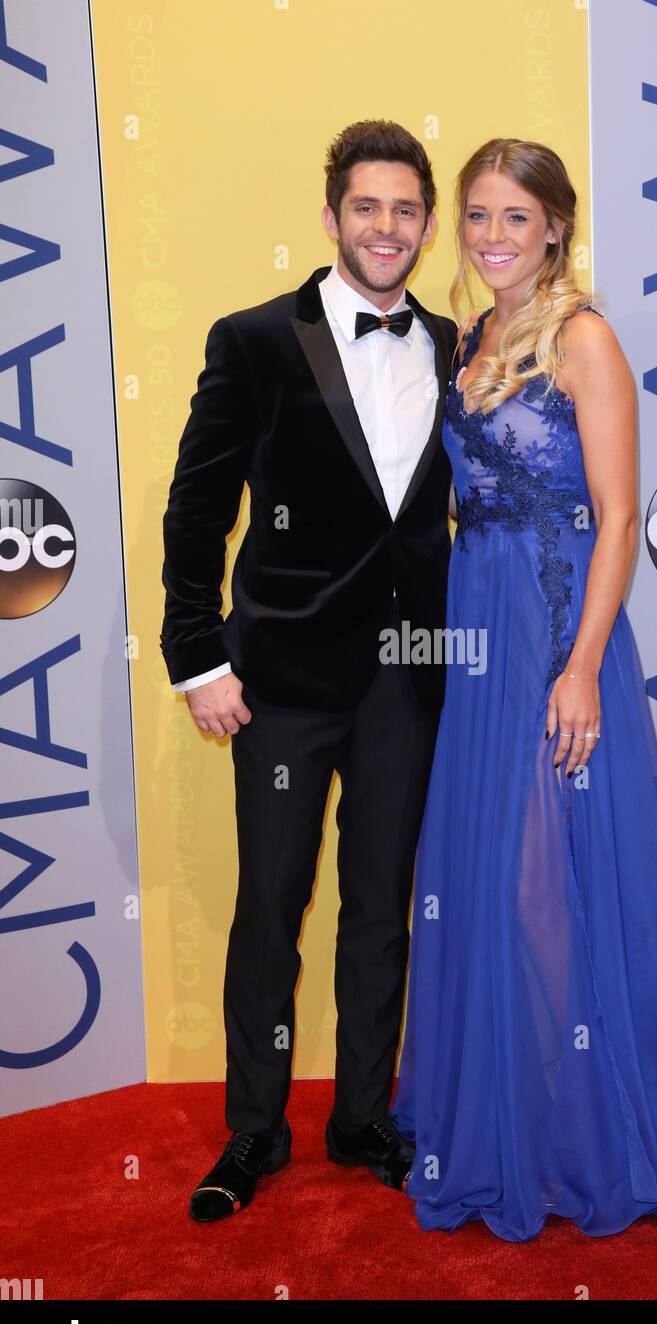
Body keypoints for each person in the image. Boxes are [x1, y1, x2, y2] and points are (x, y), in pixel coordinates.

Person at [390, 138, 657, 1246]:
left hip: (553, 630)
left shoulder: (584, 338)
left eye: (513, 219)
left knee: (550, 877)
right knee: (485, 877)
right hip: (476, 627)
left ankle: (589, 1133)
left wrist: (577, 667)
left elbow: (617, 515)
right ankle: (508, 1117)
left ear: (555, 227)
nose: (489, 238)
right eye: (474, 217)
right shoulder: (467, 338)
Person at [160, 120, 456, 1221]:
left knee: (380, 905)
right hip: (277, 675)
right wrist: (196, 657)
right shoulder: (253, 342)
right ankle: (252, 1131)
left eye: (406, 209)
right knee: (270, 908)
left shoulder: (456, 346)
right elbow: (197, 513)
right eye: (366, 206)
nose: (387, 227)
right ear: (330, 216)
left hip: (406, 676)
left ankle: (361, 1117)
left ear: (425, 227)